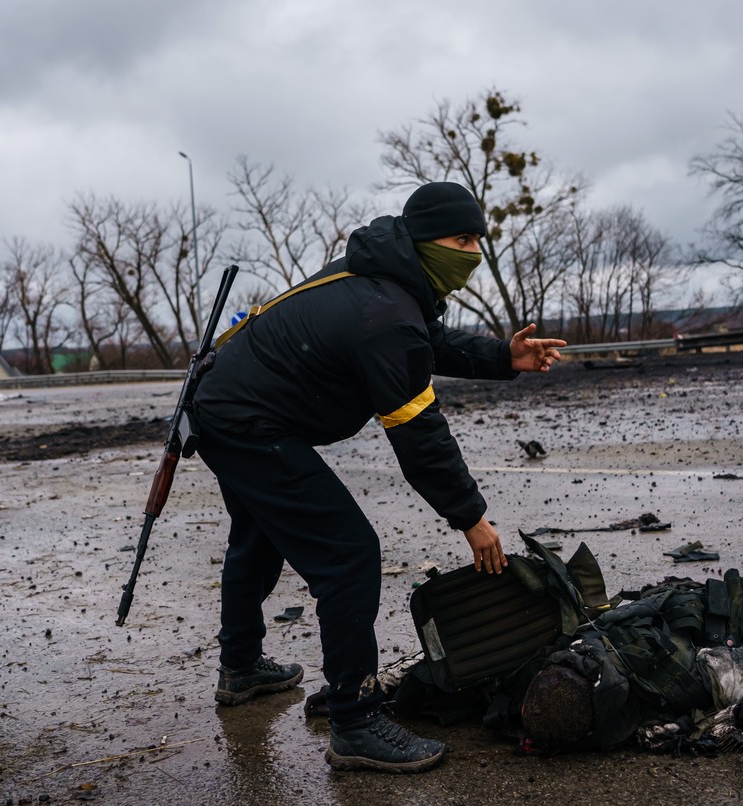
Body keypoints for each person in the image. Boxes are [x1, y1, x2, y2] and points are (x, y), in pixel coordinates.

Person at [192, 181, 565, 773]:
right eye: (459, 239)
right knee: (349, 556)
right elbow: (420, 438)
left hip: (226, 405)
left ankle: (240, 669)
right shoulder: (383, 311)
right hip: (245, 422)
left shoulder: (386, 281)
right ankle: (356, 723)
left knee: (259, 536)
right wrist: (471, 518)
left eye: (477, 240)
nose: (470, 252)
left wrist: (502, 356)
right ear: (421, 238)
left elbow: (428, 340)